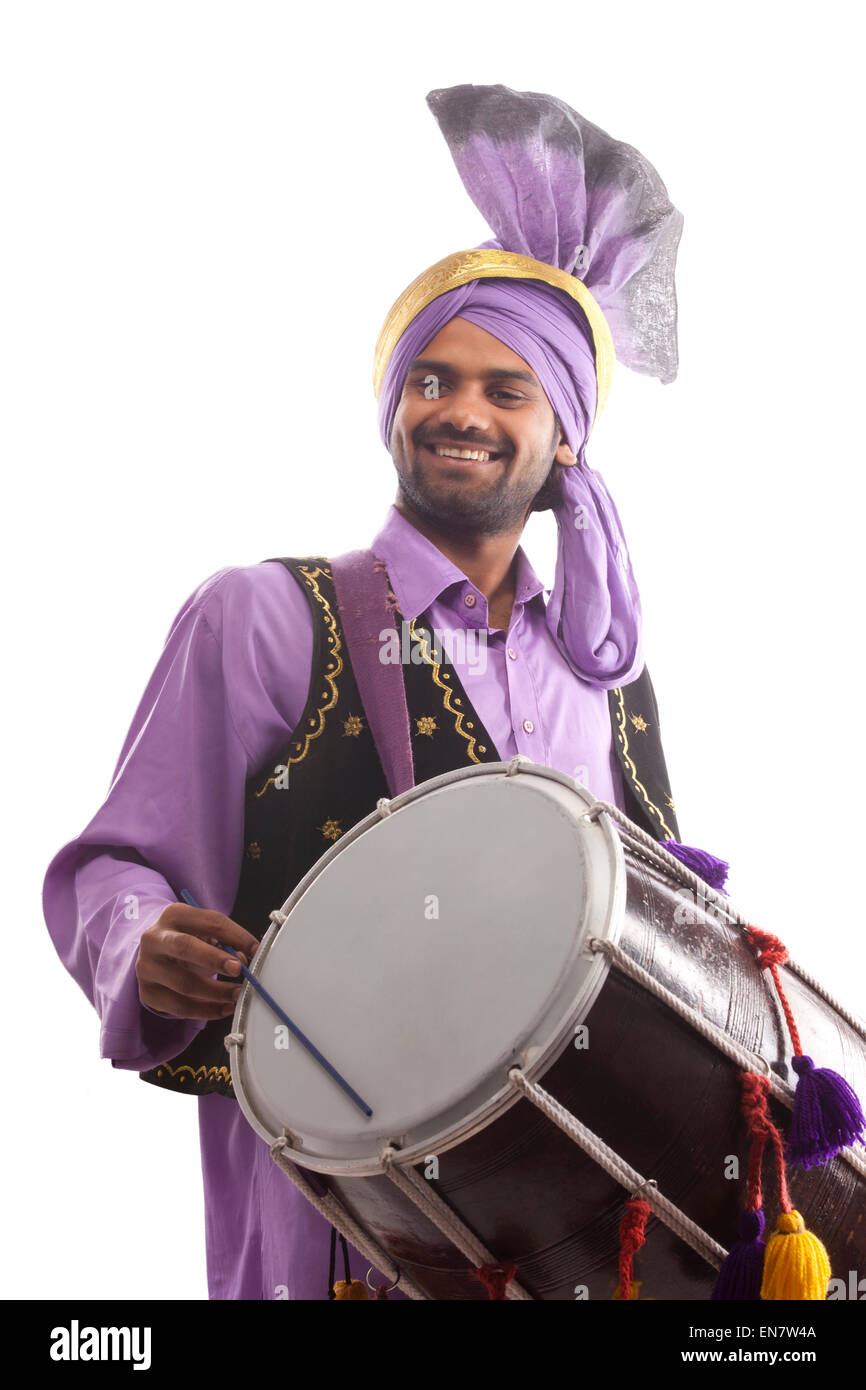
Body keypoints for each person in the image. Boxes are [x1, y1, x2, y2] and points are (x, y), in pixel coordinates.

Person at [42, 83, 686, 1300]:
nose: (460, 412)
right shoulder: (265, 616)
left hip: (571, 1232)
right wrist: (142, 943)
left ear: (563, 439)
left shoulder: (606, 672)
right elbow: (112, 868)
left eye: (507, 390)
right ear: (392, 408)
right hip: (332, 1225)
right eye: (431, 380)